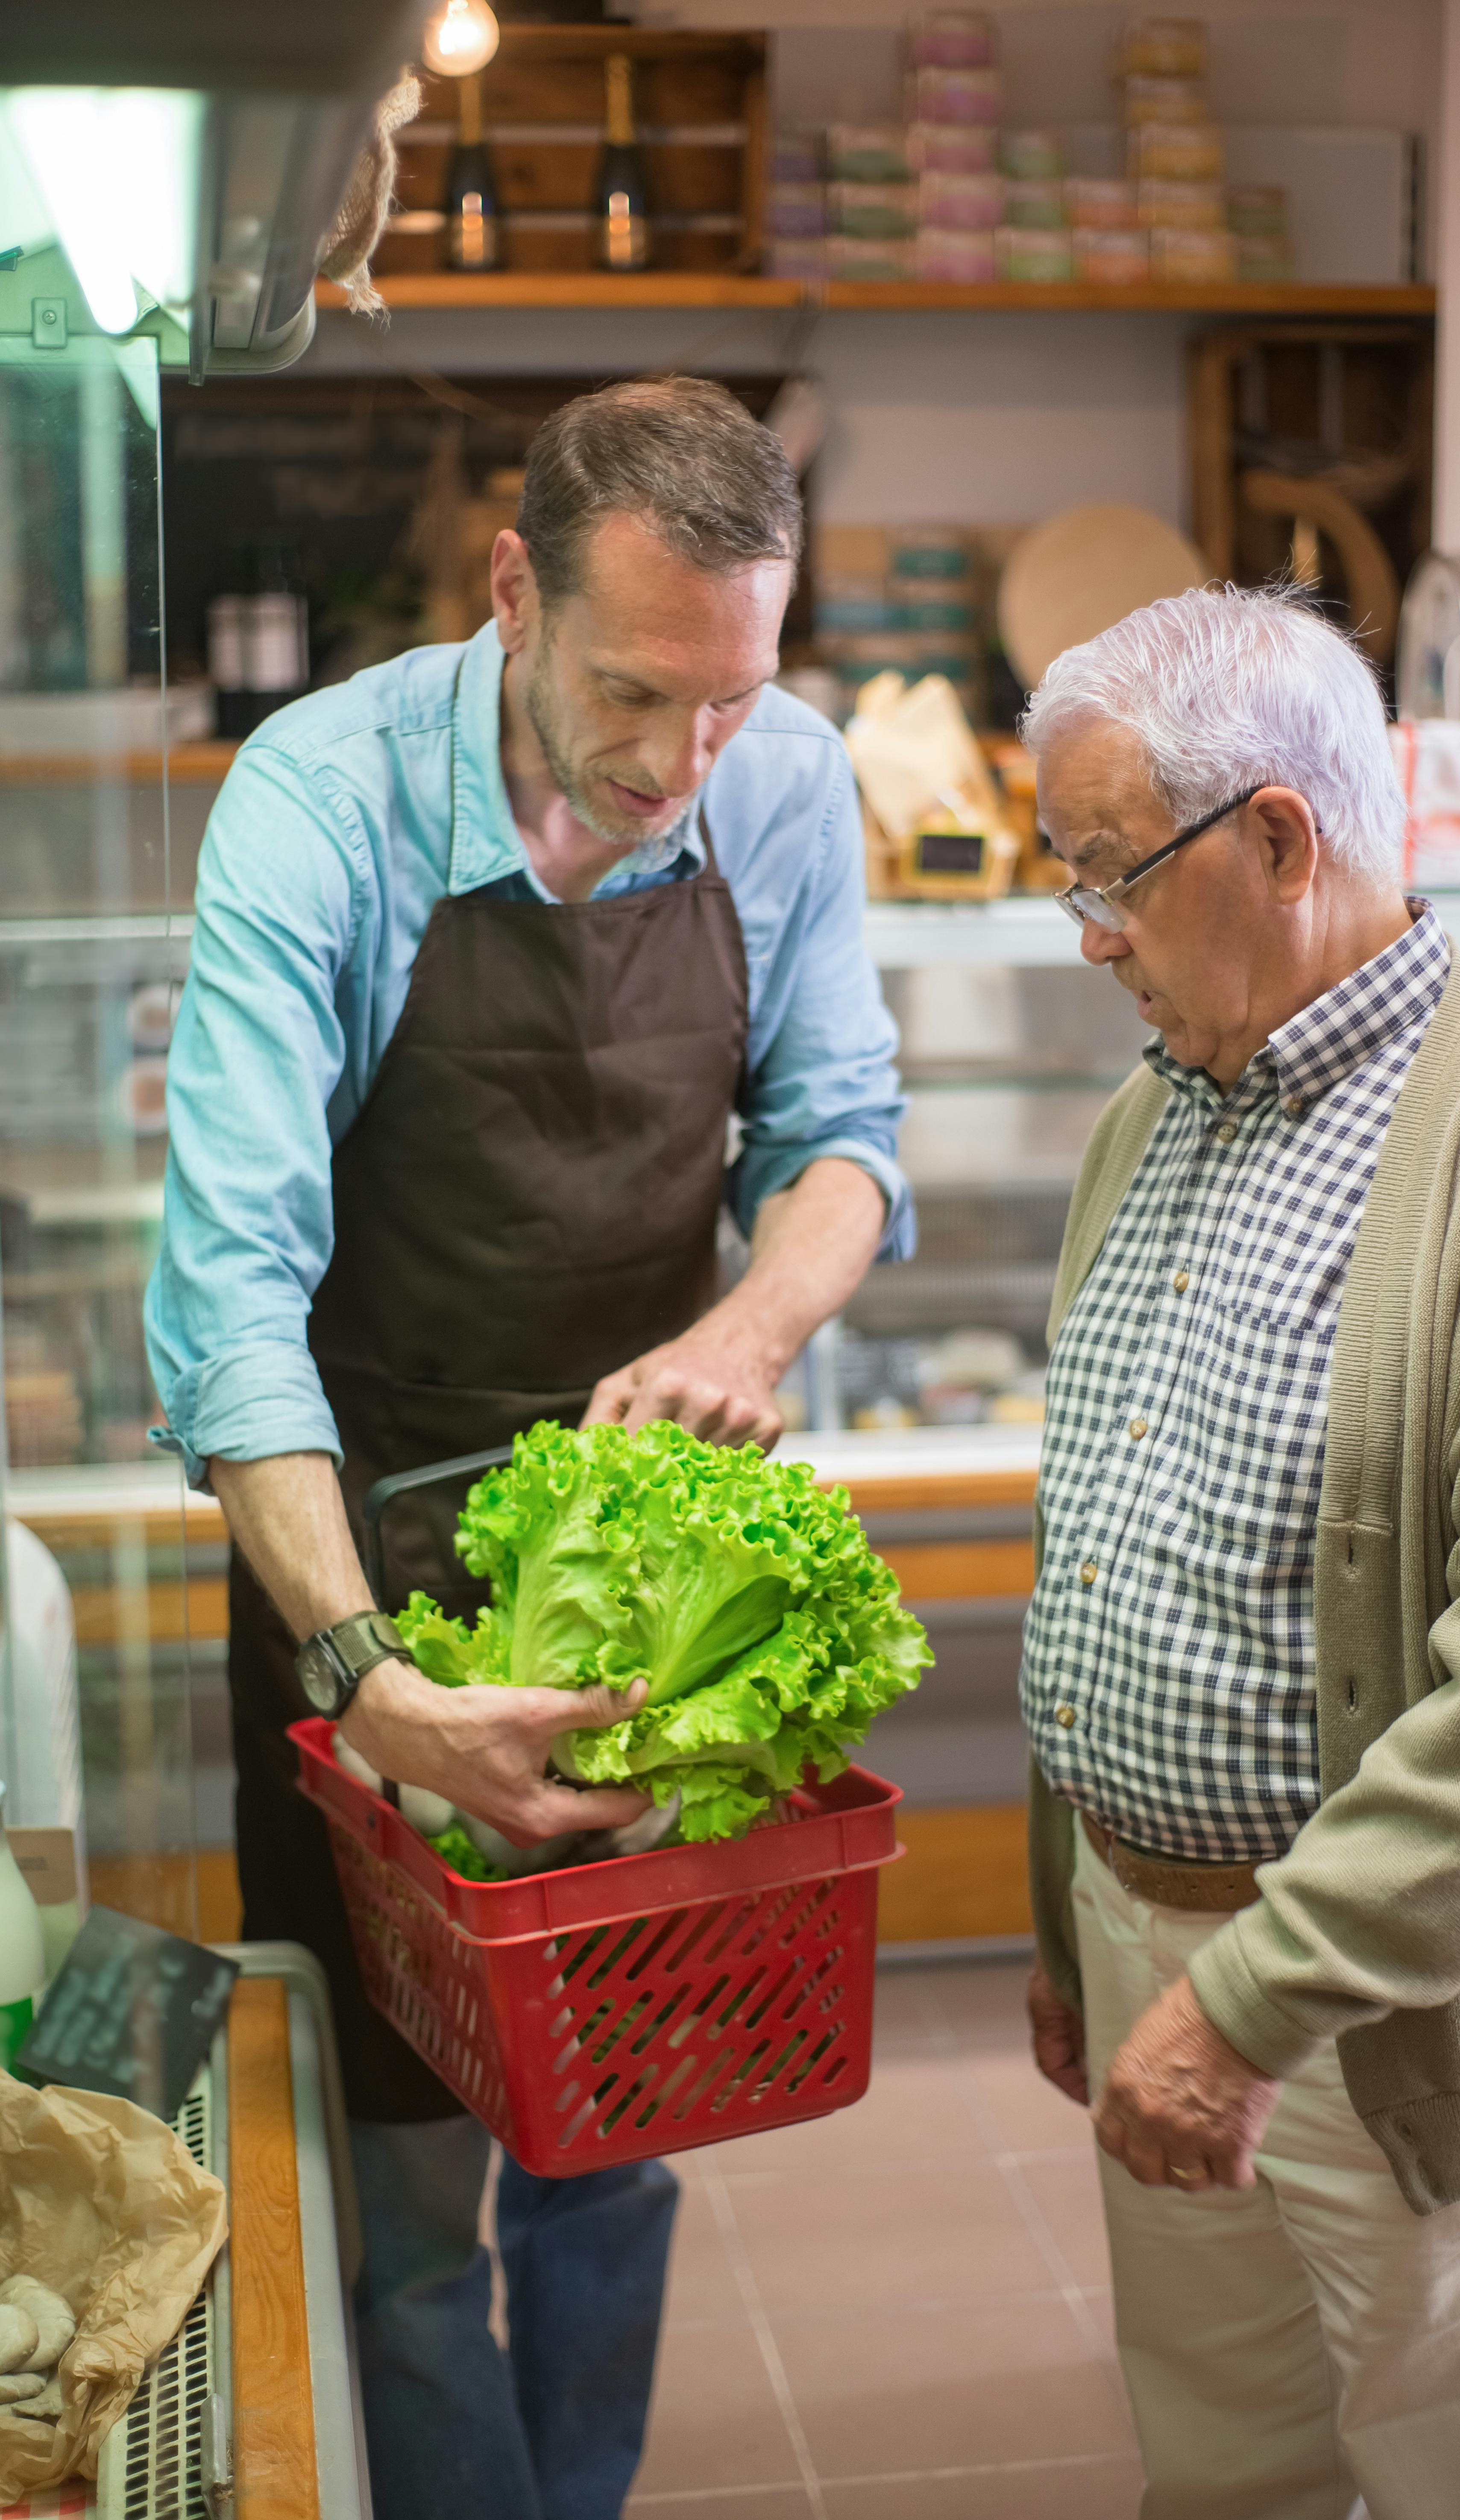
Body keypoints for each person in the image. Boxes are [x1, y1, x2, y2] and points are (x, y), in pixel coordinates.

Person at [144, 377, 911, 2520]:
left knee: (613, 2146)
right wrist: (377, 1682)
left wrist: (749, 1325)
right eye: (634, 693)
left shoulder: (783, 788)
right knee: (405, 2213)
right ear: (513, 589)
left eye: (734, 701)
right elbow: (227, 1298)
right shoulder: (324, 801)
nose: (682, 767)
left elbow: (844, 1140)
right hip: (363, 1563)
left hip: (636, 1592)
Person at [1016, 583, 1460, 2520]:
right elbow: (1116, 1538)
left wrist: (1238, 2008)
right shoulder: (1151, 1117)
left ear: (1281, 841)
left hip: (1406, 2004)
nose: (1090, 932)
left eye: (1110, 873)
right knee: (1230, 2477)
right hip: (1161, 1952)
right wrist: (1086, 1923)